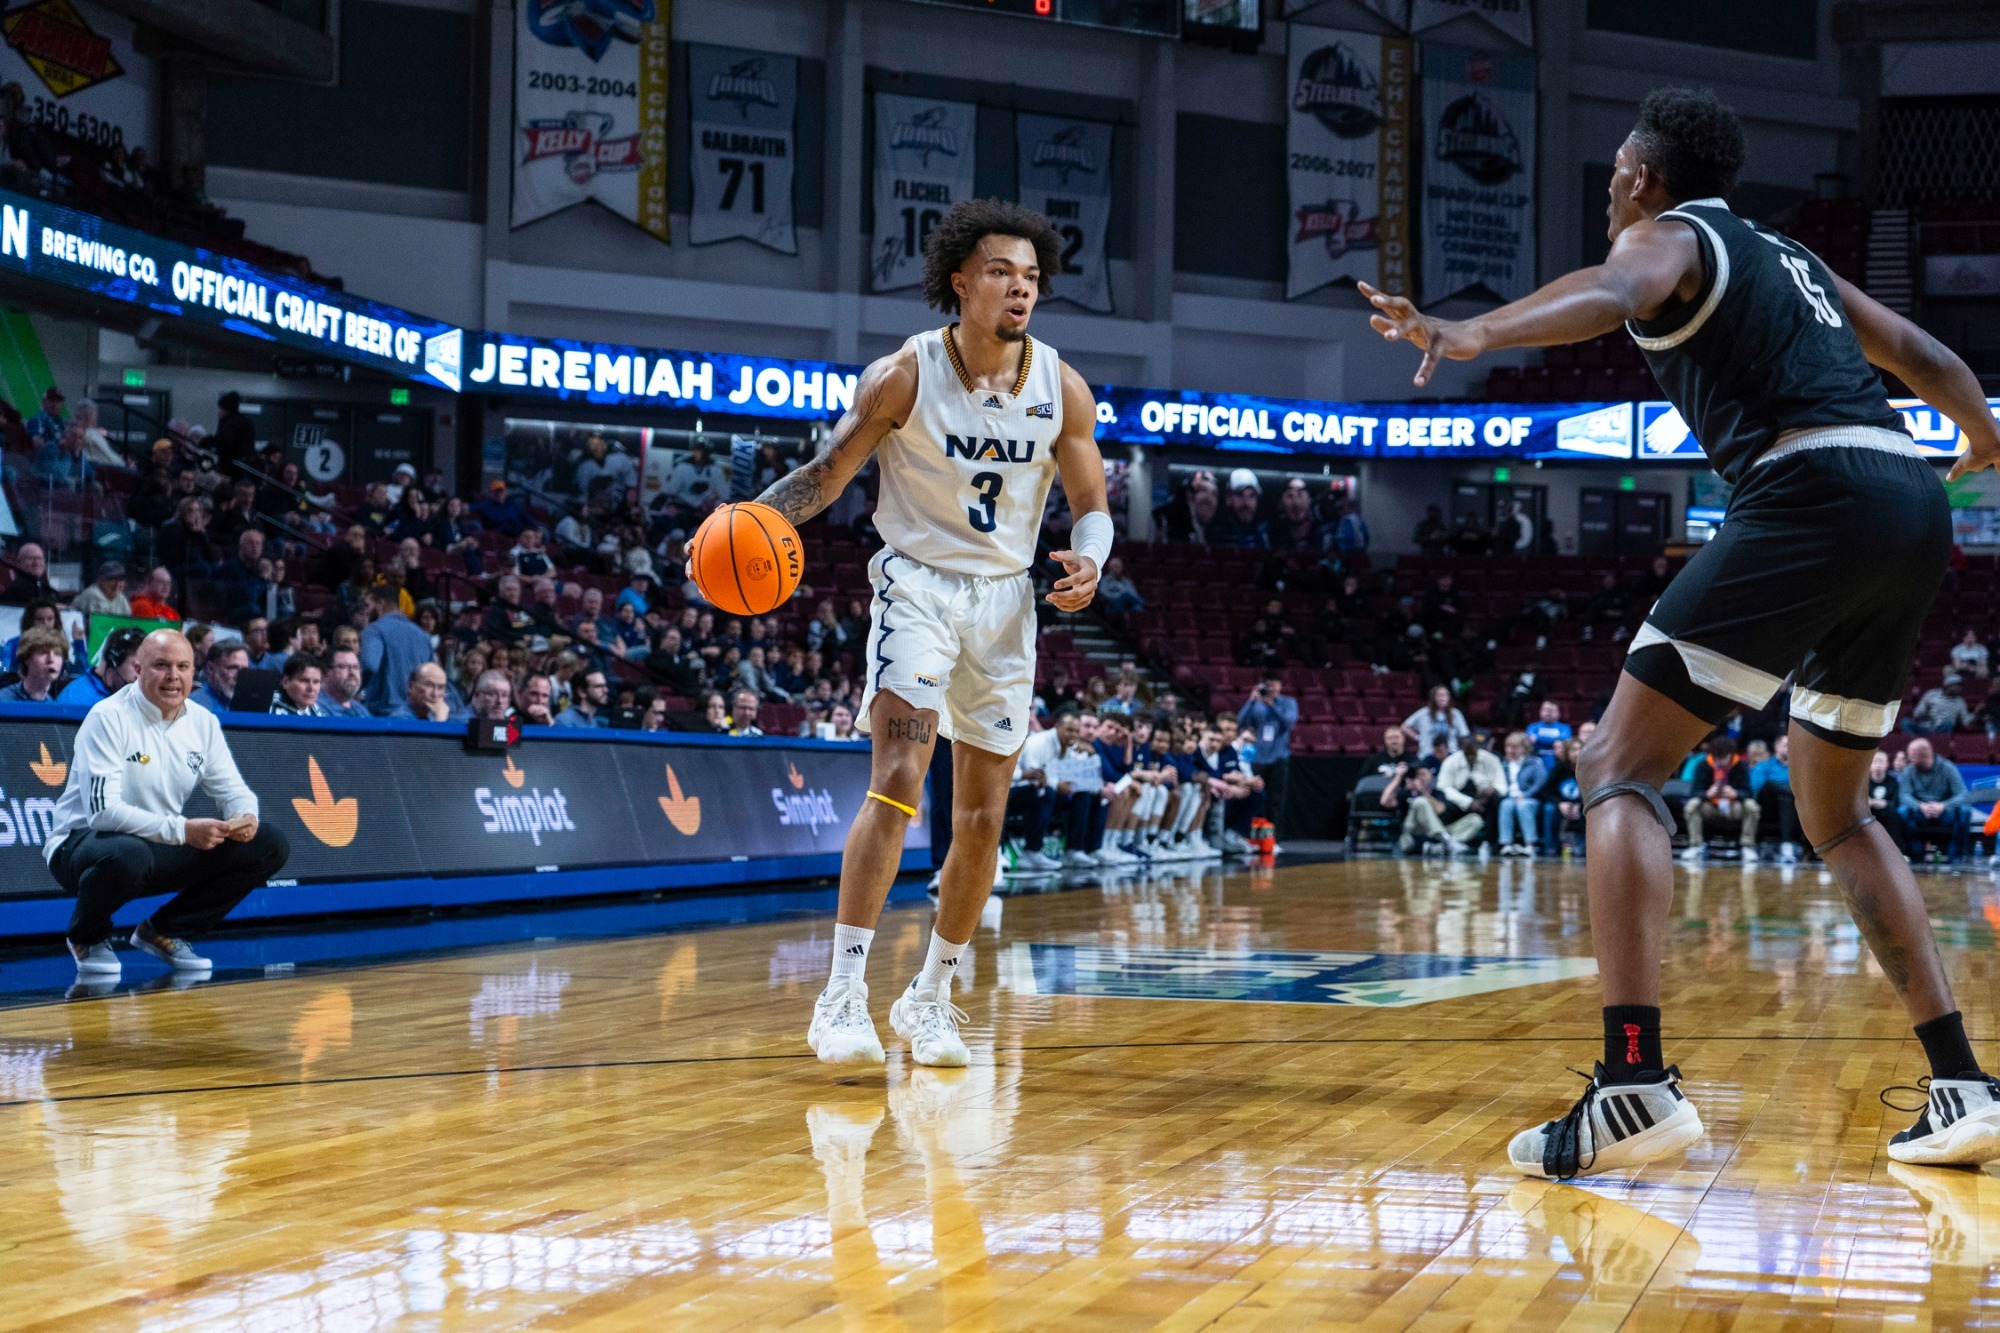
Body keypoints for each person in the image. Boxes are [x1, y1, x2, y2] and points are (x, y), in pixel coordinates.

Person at [1364, 85, 2000, 1176]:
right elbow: (1924, 357)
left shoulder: (1666, 235)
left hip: (1810, 492)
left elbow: (1611, 288)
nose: (1611, 187)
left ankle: (1629, 1084)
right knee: (1836, 812)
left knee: (1614, 762)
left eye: (1616, 169)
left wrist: (1470, 328)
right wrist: (1979, 444)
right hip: (1906, 503)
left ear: (1642, 177)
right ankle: (1961, 1084)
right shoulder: (1788, 255)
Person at [746, 197, 1111, 1069]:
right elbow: (830, 475)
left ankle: (932, 996)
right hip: (916, 588)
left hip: (1005, 607)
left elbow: (1093, 505)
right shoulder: (904, 374)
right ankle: (841, 994)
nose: (1018, 289)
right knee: (901, 778)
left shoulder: (1062, 385)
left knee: (983, 819)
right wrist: (747, 518)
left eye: (1029, 277)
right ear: (960, 281)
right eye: (999, 273)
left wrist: (1092, 560)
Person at [44, 629, 289, 977]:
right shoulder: (107, 717)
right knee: (128, 853)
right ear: (138, 669)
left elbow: (233, 789)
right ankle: (87, 936)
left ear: (194, 673)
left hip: (157, 843)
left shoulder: (203, 722)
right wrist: (182, 829)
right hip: (79, 846)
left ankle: (166, 931)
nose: (173, 676)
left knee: (269, 843)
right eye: (161, 665)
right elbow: (102, 813)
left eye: (183, 666)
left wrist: (243, 815)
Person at [1679, 734, 1759, 863]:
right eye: (1717, 758)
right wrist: (1707, 794)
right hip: (1709, 807)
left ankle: (1747, 846)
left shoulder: (1741, 766)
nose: (1720, 762)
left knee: (1752, 806)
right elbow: (1694, 792)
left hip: (1735, 807)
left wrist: (1736, 794)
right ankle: (1695, 845)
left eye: (1724, 758)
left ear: (1731, 755)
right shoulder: (1703, 765)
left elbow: (1749, 793)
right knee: (1691, 805)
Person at [359, 584, 434, 715]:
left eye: (367, 606)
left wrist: (355, 689)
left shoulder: (374, 629)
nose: (365, 612)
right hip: (416, 716)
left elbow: (370, 665)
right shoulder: (422, 635)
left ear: (381, 603)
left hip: (383, 715)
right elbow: (432, 675)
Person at [1238, 676, 1296, 842]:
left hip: (1278, 757)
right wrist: (1250, 701)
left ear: (1280, 685)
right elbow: (1240, 722)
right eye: (1267, 685)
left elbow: (1289, 722)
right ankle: (1252, 836)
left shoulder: (1287, 703)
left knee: (1276, 800)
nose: (1270, 688)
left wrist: (1273, 705)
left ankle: (1273, 838)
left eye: (1274, 684)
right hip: (1257, 757)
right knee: (1256, 797)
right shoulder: (1256, 703)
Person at [1898, 737, 1970, 863]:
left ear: (1924, 755)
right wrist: (1920, 806)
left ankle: (1956, 857)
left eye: (1912, 755)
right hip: (1919, 812)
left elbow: (1962, 794)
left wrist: (1944, 806)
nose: (1909, 759)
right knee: (1902, 812)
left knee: (1965, 812)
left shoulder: (1948, 768)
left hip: (1945, 812)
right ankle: (1915, 855)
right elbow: (1903, 795)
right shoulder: (1909, 770)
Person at [1388, 763, 1482, 855]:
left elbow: (1441, 810)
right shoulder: (1406, 792)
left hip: (1439, 830)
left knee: (1475, 820)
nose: (1421, 777)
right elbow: (1385, 801)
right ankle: (1445, 840)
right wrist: (1398, 777)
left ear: (1430, 776)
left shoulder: (1438, 793)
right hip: (1414, 830)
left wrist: (1423, 792)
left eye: (1424, 774)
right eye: (1418, 775)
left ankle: (1444, 845)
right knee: (1420, 802)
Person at [1436, 730, 1504, 850]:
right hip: (1459, 802)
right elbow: (1443, 787)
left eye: (1474, 753)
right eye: (1468, 753)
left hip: (1484, 801)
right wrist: (1468, 802)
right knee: (1443, 801)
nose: (1471, 757)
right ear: (1461, 748)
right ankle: (1444, 838)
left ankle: (1488, 843)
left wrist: (1492, 789)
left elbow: (1502, 786)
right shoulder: (1451, 761)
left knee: (1498, 801)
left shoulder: (1491, 760)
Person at [56, 626, 146, 705]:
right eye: (136, 666)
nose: (140, 676)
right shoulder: (76, 700)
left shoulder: (125, 696)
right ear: (113, 660)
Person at [1495, 731, 1546, 857]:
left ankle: (1530, 845)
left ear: (1524, 748)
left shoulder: (1534, 763)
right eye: (1508, 747)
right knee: (1505, 805)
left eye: (1515, 747)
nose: (1511, 750)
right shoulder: (1503, 764)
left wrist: (1526, 795)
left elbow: (1539, 783)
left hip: (1529, 797)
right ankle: (1506, 844)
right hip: (1509, 797)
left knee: (1523, 806)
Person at [1751, 734, 1800, 861]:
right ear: (1776, 746)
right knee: (1770, 784)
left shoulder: (1798, 767)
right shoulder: (1764, 765)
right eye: (1785, 745)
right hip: (1767, 806)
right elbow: (1757, 787)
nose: (1789, 748)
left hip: (1791, 807)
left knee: (1786, 800)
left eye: (1791, 745)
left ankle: (1787, 846)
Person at [0, 626, 66, 703]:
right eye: (43, 652)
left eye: (57, 653)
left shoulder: (52, 704)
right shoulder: (3, 700)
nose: (51, 659)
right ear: (26, 658)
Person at [1403, 684, 1470, 753]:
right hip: (1427, 754)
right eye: (1440, 695)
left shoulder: (1456, 714)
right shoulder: (1424, 713)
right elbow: (1404, 727)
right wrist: (1418, 737)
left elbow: (1464, 735)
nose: (1443, 698)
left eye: (1446, 695)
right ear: (1433, 698)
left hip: (1451, 754)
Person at [1904, 671, 1972, 735]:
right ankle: (1914, 744)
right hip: (1925, 726)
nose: (1960, 688)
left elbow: (1965, 721)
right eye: (1958, 685)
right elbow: (1916, 714)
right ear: (1948, 685)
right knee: (1906, 722)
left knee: (1947, 723)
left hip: (1942, 728)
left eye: (1961, 686)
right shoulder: (1931, 694)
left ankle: (1941, 744)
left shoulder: (1960, 701)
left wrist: (1976, 713)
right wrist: (1925, 710)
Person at [189, 639, 247, 712]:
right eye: (233, 668)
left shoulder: (248, 704)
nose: (239, 677)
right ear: (211, 668)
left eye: (244, 670)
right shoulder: (194, 706)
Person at [390, 661, 459, 722]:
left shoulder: (438, 716)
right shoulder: (399, 720)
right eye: (429, 685)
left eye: (440, 687)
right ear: (411, 686)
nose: (435, 694)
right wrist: (440, 719)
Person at [319, 647, 371, 719]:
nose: (352, 673)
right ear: (325, 672)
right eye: (344, 667)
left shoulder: (361, 711)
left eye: (355, 667)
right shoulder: (315, 708)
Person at [1525, 699, 1573, 764]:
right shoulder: (1533, 727)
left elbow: (1564, 740)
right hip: (1535, 758)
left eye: (1551, 710)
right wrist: (1554, 741)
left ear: (1558, 713)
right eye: (1545, 709)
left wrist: (1538, 739)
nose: (1548, 712)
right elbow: (1530, 740)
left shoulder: (1565, 728)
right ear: (1540, 711)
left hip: (1558, 760)